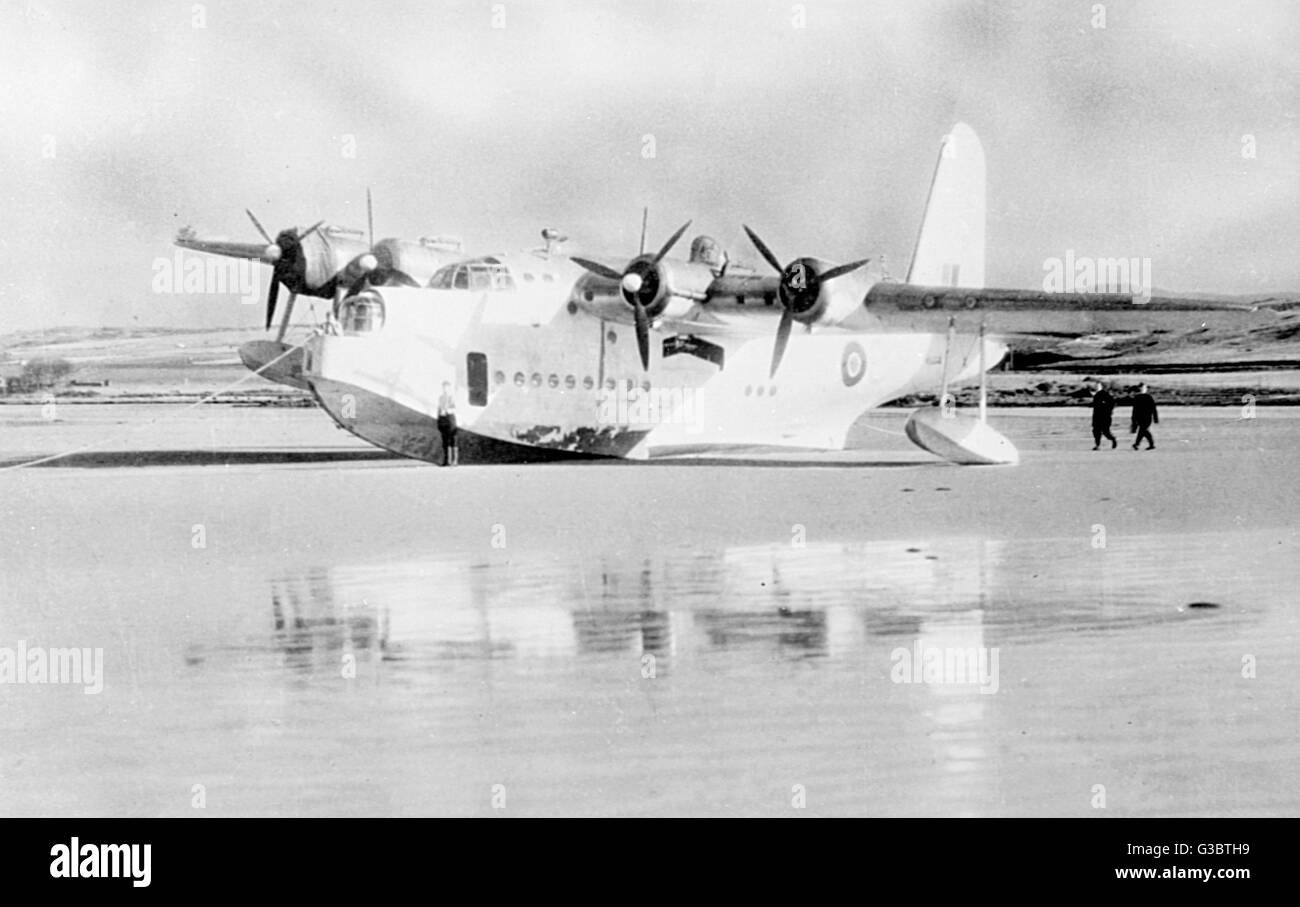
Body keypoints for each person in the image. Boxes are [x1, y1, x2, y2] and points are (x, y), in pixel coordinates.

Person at [1089, 380, 1117, 449]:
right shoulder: (1096, 396)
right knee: (1096, 431)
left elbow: (1112, 403)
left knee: (1105, 432)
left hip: (1105, 417)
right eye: (1096, 386)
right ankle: (1097, 445)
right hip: (1096, 417)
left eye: (1098, 386)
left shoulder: (1105, 394)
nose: (1097, 387)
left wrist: (1107, 410)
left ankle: (1113, 439)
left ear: (1101, 387)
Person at [1130, 382, 1158, 450]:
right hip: (1139, 418)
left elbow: (1153, 409)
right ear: (1139, 389)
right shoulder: (1137, 397)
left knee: (1143, 430)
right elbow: (1135, 410)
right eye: (1142, 388)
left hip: (1147, 417)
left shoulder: (1149, 397)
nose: (1143, 389)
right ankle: (1139, 444)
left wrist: (1155, 418)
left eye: (1145, 388)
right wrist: (1134, 419)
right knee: (1143, 431)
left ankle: (1139, 444)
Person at [436, 381, 458, 466]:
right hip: (443, 418)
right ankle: (446, 461)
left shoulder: (452, 397)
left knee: (453, 440)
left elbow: (454, 408)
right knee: (445, 441)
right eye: (443, 387)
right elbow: (439, 407)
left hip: (450, 419)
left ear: (449, 388)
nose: (445, 389)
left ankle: (454, 460)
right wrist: (438, 418)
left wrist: (447, 411)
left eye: (446, 387)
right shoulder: (441, 397)